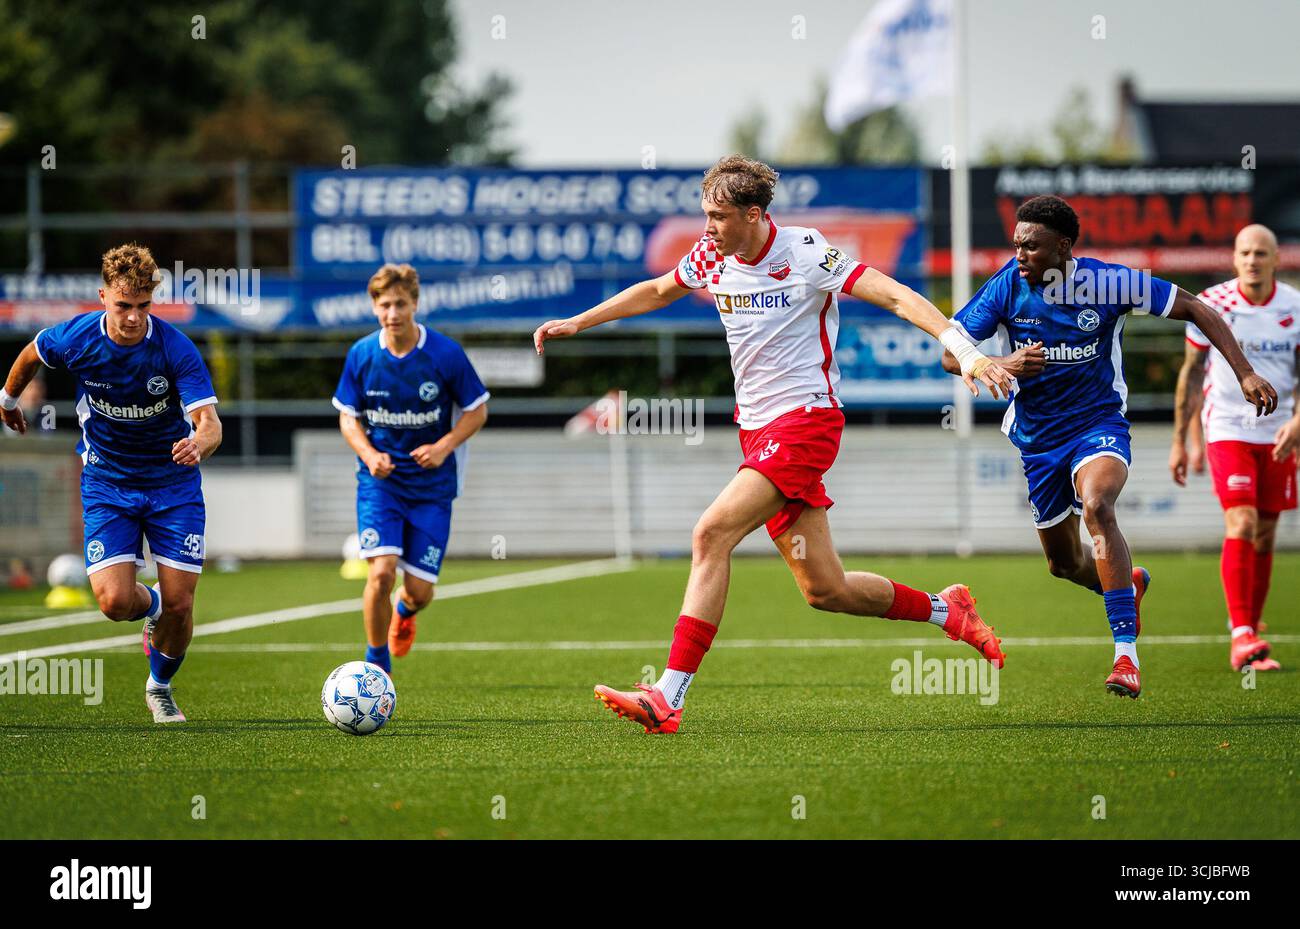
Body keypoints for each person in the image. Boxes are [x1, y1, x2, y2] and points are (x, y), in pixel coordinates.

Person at [533, 155, 1014, 734]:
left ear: (754, 214)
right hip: (758, 432)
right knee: (825, 590)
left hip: (806, 424)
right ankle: (947, 609)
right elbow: (659, 290)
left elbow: (894, 296)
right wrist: (578, 323)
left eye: (717, 216)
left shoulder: (807, 253)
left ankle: (668, 696)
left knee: (710, 533)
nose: (706, 227)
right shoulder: (714, 254)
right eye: (704, 214)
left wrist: (967, 350)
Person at [940, 196, 1277, 698]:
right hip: (1037, 440)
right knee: (1063, 563)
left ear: (1064, 246)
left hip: (1099, 424)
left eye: (1031, 246)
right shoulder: (1006, 287)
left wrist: (1244, 370)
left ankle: (1126, 657)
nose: (1020, 255)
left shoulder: (1109, 282)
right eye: (1016, 245)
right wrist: (1004, 363)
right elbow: (951, 353)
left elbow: (1196, 307)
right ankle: (1126, 584)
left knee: (1099, 506)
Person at [0, 243, 222, 722]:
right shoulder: (76, 337)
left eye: (143, 307)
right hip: (107, 484)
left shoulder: (174, 348)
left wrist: (199, 443)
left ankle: (159, 685)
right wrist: (7, 397)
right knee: (115, 602)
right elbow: (31, 352)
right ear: (104, 297)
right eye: (123, 306)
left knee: (183, 605)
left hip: (173, 486)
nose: (133, 318)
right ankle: (154, 604)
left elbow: (210, 422)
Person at [332, 264, 490, 673]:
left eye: (400, 303)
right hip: (379, 484)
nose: (392, 313)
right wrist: (369, 455)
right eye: (384, 305)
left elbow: (477, 411)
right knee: (381, 572)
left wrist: (443, 446)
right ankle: (376, 667)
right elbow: (348, 418)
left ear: (415, 304)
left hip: (432, 487)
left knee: (419, 590)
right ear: (374, 307)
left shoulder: (445, 354)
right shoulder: (362, 355)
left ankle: (405, 610)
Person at [1170, 224, 1299, 671]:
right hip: (1227, 428)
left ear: (1276, 258)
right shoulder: (1214, 304)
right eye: (1245, 252)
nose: (1253, 260)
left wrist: (1298, 422)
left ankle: (1252, 627)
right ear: (1234, 257)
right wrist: (1181, 442)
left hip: (1280, 434)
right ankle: (1241, 635)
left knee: (1265, 534)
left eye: (1261, 253)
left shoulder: (1295, 306)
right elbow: (1190, 374)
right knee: (1241, 521)